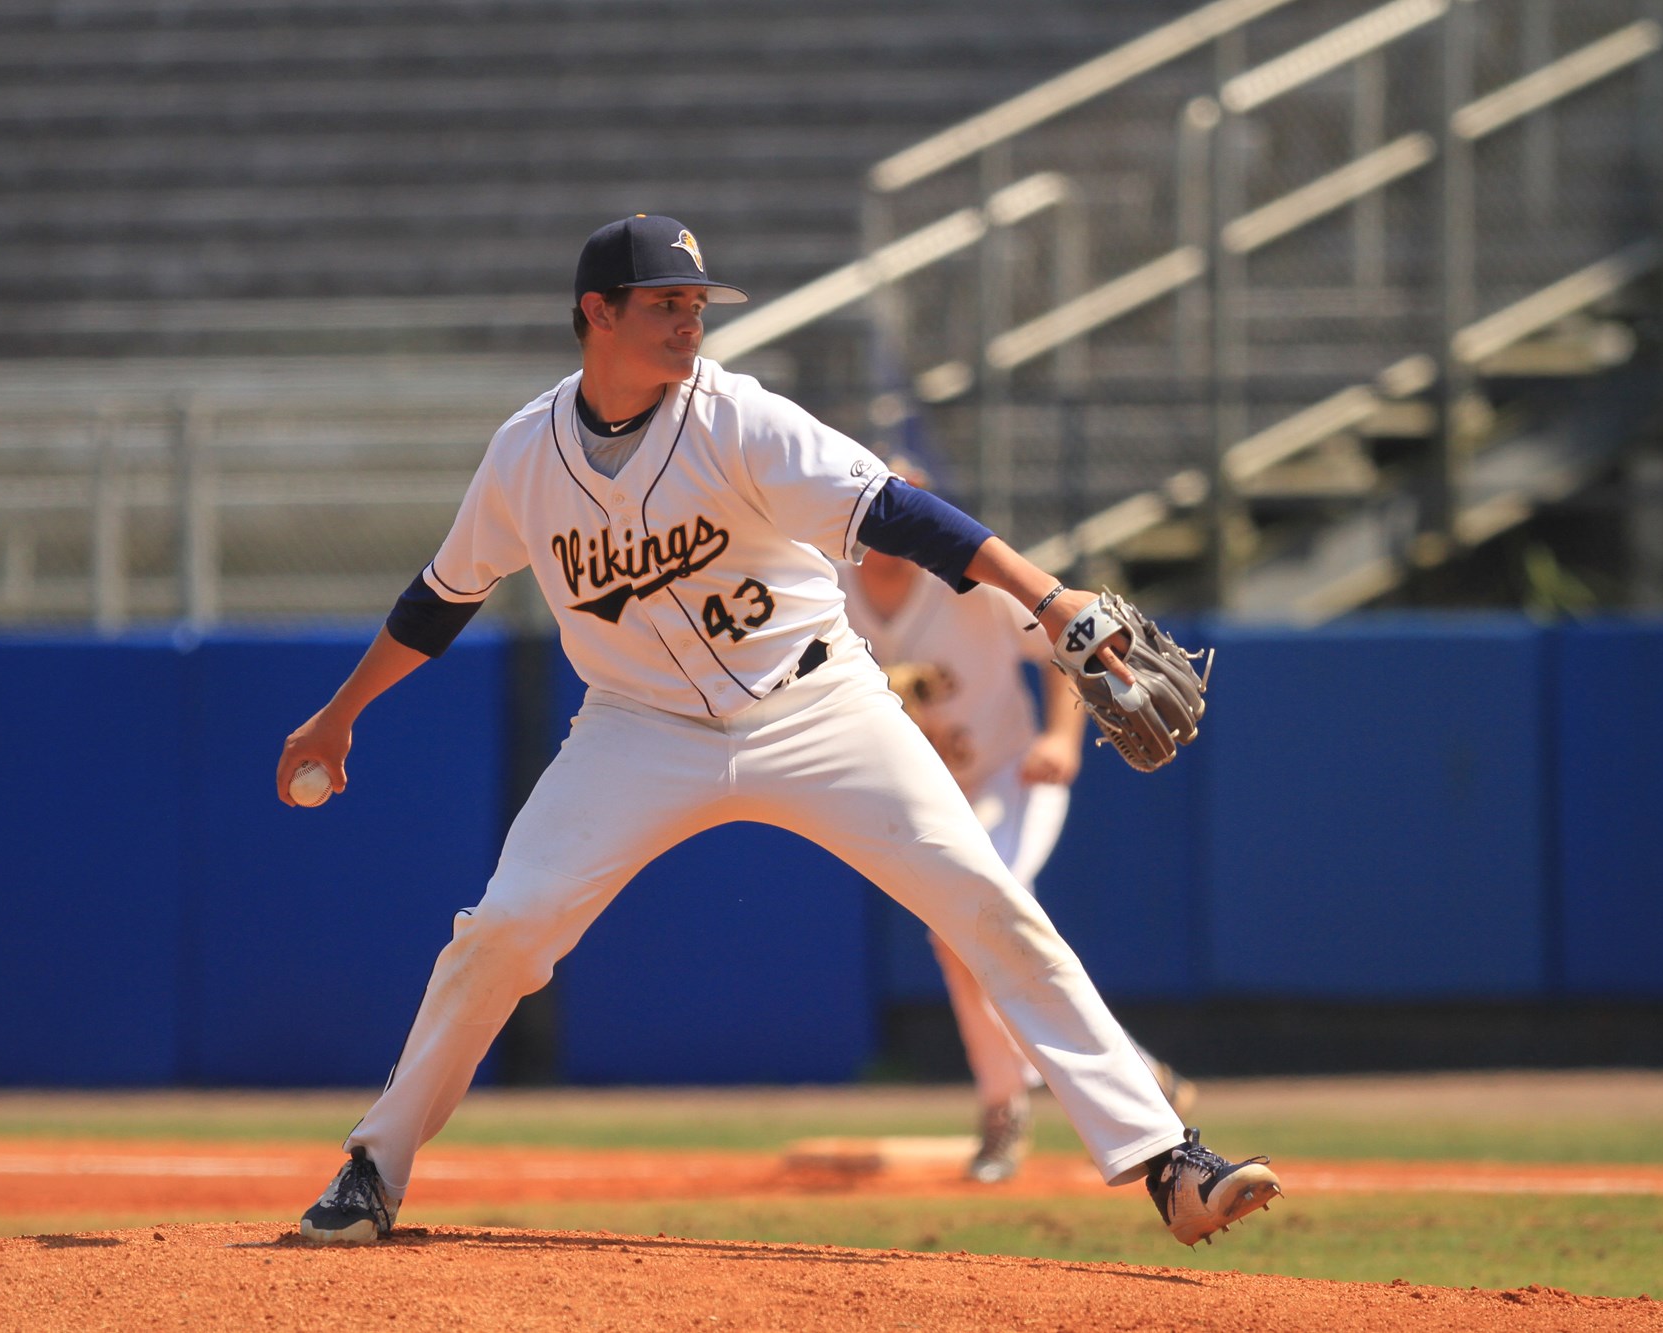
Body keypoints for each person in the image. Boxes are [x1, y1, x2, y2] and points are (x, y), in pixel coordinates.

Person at [275, 214, 1279, 1248]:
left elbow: (897, 511)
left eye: (696, 305)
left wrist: (1046, 596)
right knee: (503, 929)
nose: (687, 323)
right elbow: (441, 598)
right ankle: (373, 1166)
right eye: (664, 304)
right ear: (596, 314)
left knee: (983, 900)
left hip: (816, 705)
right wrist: (340, 714)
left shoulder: (737, 418)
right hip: (634, 730)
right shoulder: (524, 455)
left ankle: (1169, 1160)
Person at [838, 461, 1198, 1184]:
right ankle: (1127, 1075)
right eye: (882, 502)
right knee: (960, 940)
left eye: (908, 503)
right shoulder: (827, 588)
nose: (894, 516)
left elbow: (1064, 649)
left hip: (1010, 778)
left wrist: (1061, 740)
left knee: (974, 920)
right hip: (928, 793)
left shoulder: (960, 574)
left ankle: (1006, 1108)